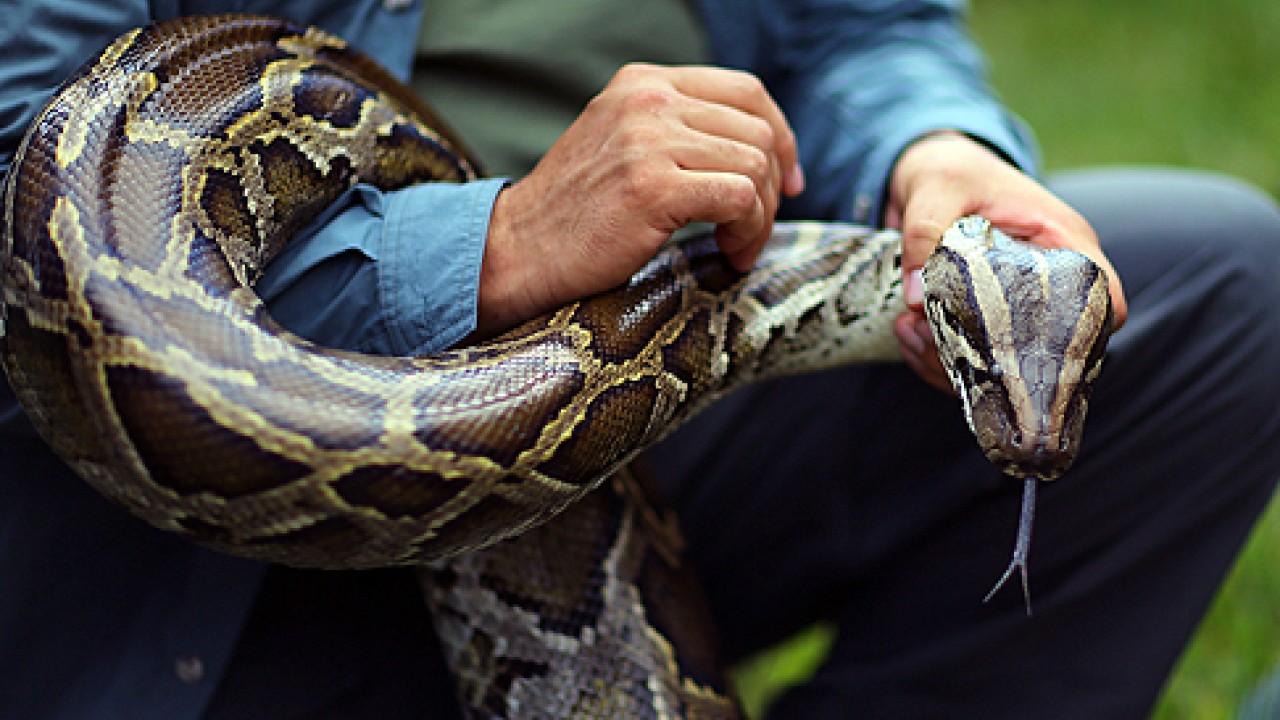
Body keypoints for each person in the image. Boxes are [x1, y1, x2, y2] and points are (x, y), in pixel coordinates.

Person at [1, 1, 1277, 718]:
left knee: (1214, 282)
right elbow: (25, 176)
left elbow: (863, 33)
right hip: (192, 559)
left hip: (632, 384)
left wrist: (929, 146)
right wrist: (499, 241)